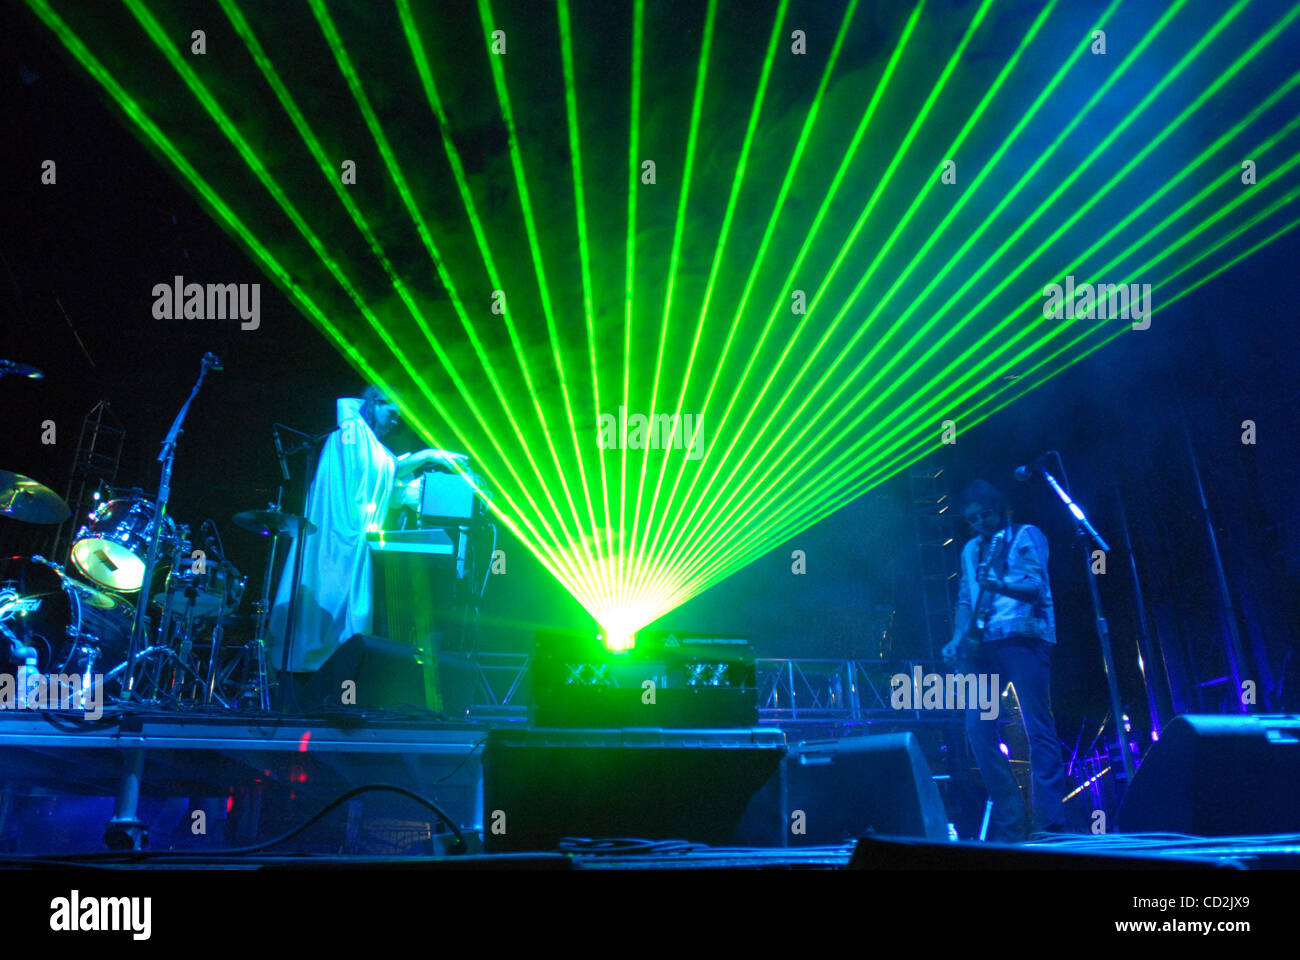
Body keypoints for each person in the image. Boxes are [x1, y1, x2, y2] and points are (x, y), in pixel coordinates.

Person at [268, 387, 435, 676]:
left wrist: (418, 487)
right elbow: (376, 470)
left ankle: (339, 686)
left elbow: (381, 478)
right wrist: (427, 456)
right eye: (392, 413)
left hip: (348, 541)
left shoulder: (368, 441)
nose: (396, 422)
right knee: (328, 609)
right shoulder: (351, 430)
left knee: (344, 615)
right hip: (335, 541)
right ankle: (320, 687)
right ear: (374, 404)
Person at [942, 479, 1068, 841]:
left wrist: (999, 585)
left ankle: (1049, 823)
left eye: (985, 515)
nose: (979, 522)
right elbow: (965, 598)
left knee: (1037, 727)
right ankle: (1012, 822)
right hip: (982, 647)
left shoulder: (1025, 535)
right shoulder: (969, 550)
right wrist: (956, 638)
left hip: (1024, 637)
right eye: (972, 518)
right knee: (978, 730)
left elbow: (1036, 587)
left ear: (1000, 510)